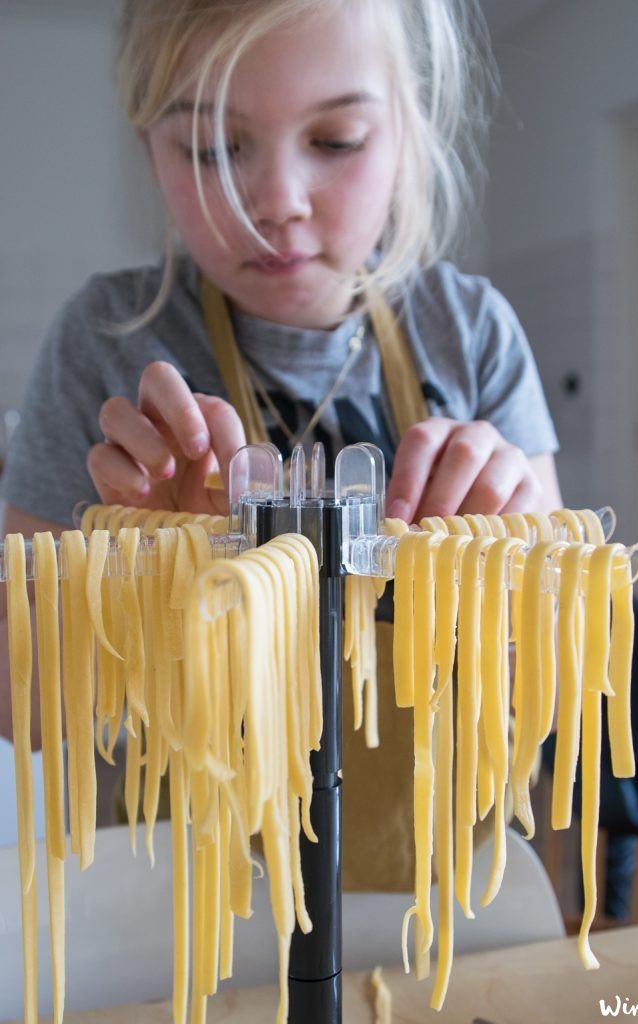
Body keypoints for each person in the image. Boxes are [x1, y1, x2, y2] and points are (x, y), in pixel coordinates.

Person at [0, 0, 561, 883]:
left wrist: (515, 572)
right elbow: (24, 715)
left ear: (408, 130)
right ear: (149, 148)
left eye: (336, 140)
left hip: (434, 893)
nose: (277, 204)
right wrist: (143, 575)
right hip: (185, 899)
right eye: (212, 149)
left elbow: (555, 689)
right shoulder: (104, 341)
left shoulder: (468, 333)